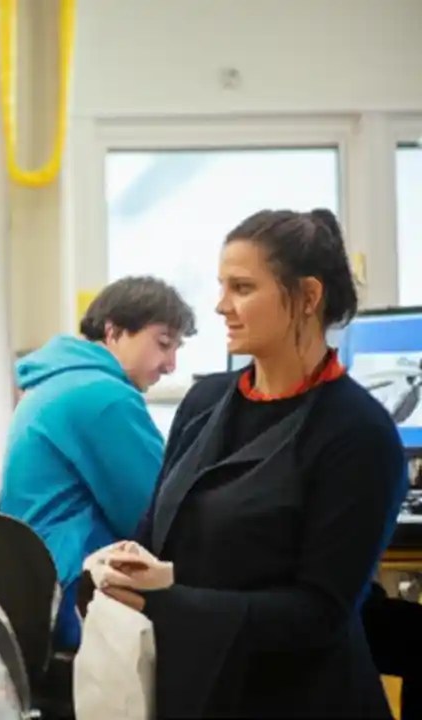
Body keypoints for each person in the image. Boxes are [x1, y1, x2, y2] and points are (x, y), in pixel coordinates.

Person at [88, 209, 408, 718]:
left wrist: (166, 601)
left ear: (307, 297)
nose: (221, 306)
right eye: (222, 286)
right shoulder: (203, 405)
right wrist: (125, 566)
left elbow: (319, 614)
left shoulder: (359, 435)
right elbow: (156, 535)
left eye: (241, 287)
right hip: (197, 687)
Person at [0, 275, 196, 651]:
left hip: (38, 590)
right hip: (79, 590)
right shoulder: (103, 397)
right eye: (163, 343)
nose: (170, 364)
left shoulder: (51, 385)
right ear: (114, 332)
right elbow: (161, 519)